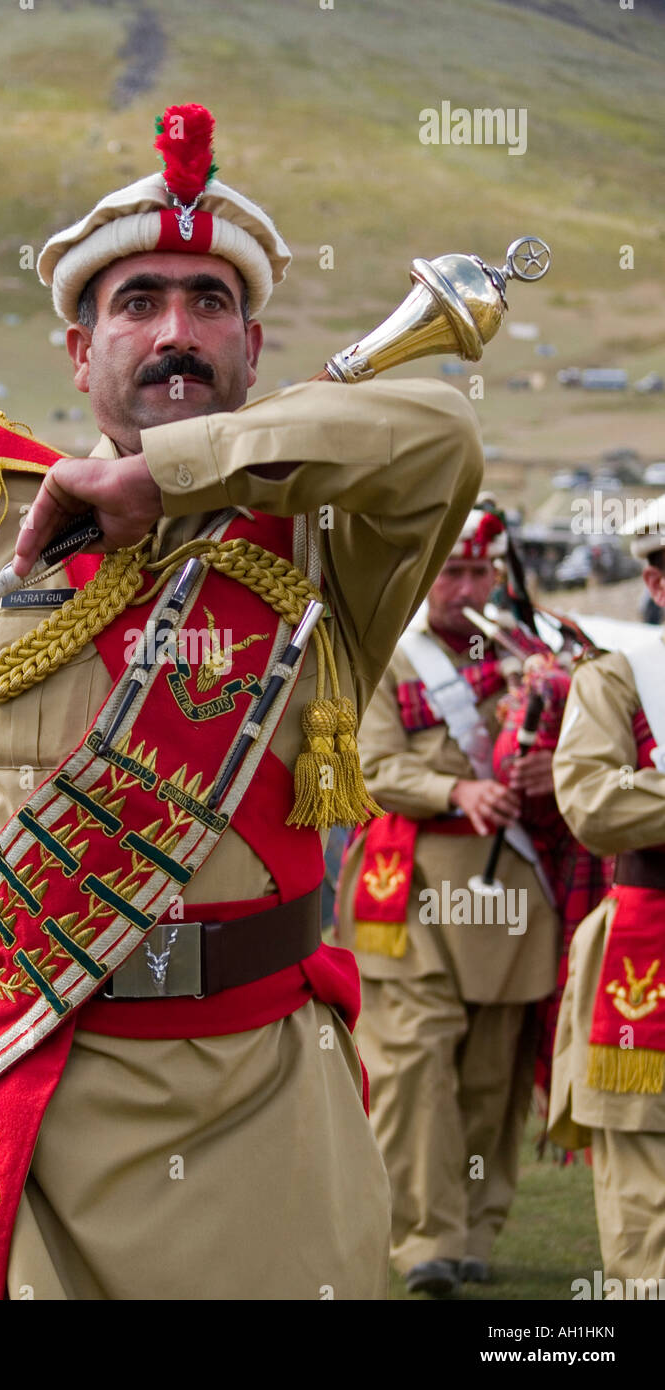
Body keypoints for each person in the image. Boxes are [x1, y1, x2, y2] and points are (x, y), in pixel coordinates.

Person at [0, 104, 482, 1300]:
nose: (176, 333)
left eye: (209, 303)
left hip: (259, 1101)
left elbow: (441, 430)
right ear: (79, 353)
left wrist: (164, 477)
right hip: (23, 1076)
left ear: (253, 348)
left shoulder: (331, 533)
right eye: (138, 302)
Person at [334, 504, 562, 1295]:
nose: (464, 589)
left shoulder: (533, 661)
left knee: (493, 1070)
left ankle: (476, 1232)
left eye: (478, 573)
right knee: (413, 1063)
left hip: (511, 889)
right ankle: (423, 1241)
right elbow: (370, 767)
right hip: (410, 883)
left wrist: (548, 775)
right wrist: (455, 786)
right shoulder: (386, 655)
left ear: (498, 577)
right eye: (451, 573)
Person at [549, 494, 665, 1287]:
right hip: (649, 942)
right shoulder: (620, 678)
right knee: (643, 1166)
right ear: (656, 584)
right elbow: (591, 802)